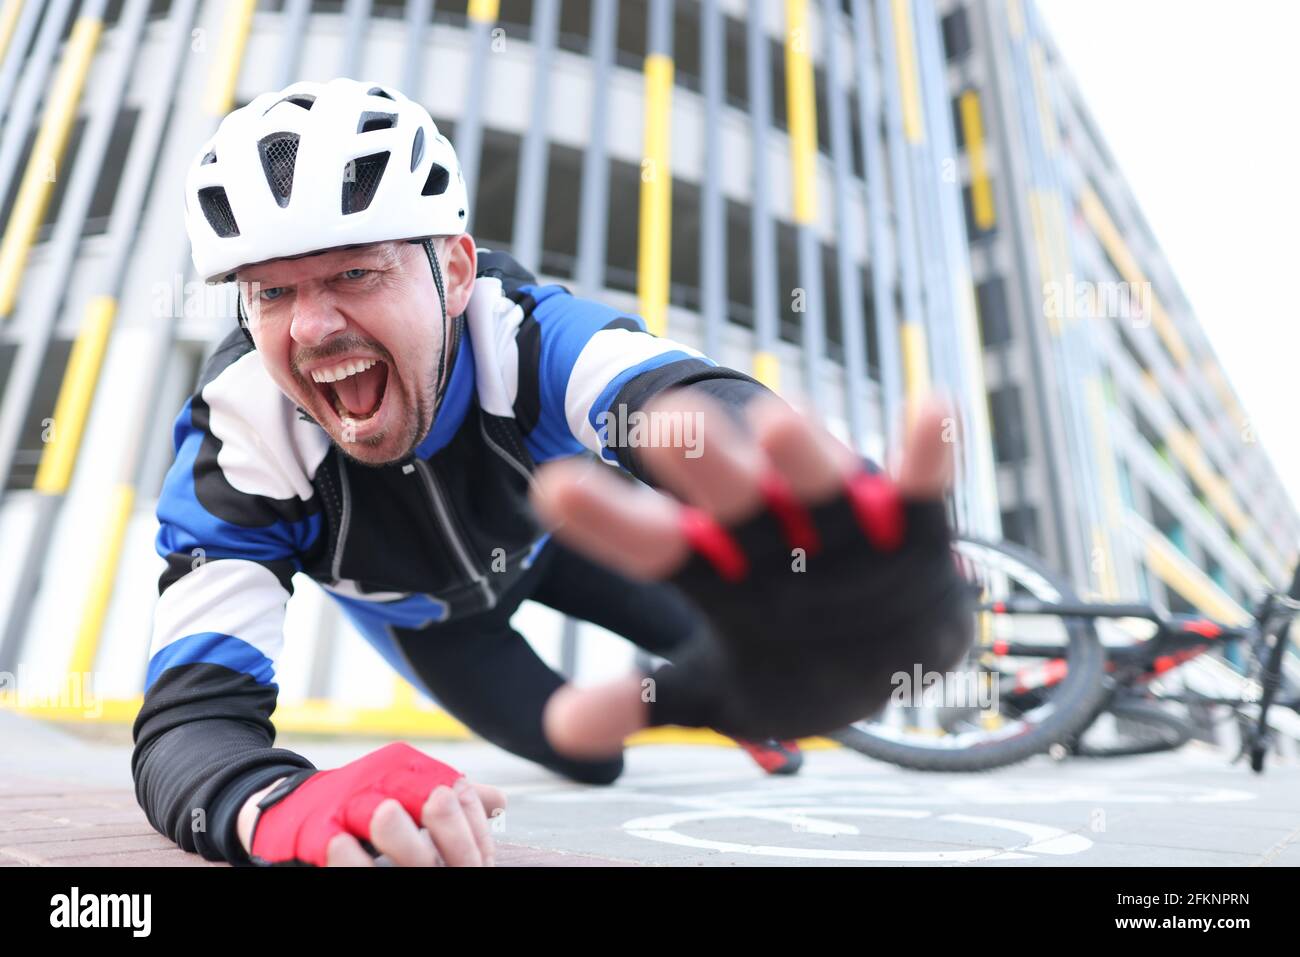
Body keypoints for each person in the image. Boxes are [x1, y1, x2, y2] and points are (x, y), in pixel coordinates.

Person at [133, 78, 972, 868]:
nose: (312, 328)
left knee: (705, 629)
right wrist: (276, 803)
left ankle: (743, 716)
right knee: (591, 755)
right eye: (271, 293)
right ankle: (700, 707)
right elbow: (188, 721)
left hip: (557, 542)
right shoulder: (243, 431)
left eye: (356, 271)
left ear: (456, 273)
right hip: (432, 625)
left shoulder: (523, 335)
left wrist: (837, 530)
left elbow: (675, 400)